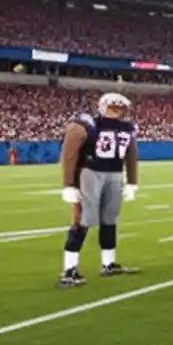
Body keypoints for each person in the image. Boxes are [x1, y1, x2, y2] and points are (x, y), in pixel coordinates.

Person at [57, 92, 140, 288]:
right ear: (103, 107)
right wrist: (68, 184)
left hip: (115, 174)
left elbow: (131, 154)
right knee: (83, 220)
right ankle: (69, 269)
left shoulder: (128, 128)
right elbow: (68, 153)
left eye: (119, 109)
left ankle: (108, 263)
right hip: (91, 172)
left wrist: (132, 181)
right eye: (112, 108)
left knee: (110, 219)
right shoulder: (88, 124)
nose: (116, 112)